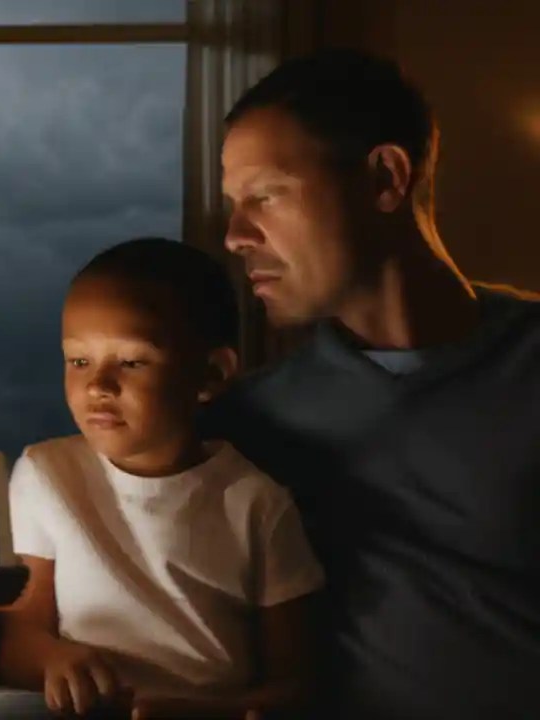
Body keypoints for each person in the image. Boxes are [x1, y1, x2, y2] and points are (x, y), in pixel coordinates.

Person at [205, 48, 540, 719]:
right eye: (235, 205)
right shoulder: (246, 425)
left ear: (385, 178)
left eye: (265, 195)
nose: (236, 235)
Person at [0, 239, 325, 720]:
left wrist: (216, 712)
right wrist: (55, 660)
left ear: (210, 374)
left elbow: (294, 686)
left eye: (132, 362)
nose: (97, 385)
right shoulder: (47, 473)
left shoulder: (257, 503)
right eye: (79, 361)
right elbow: (20, 637)